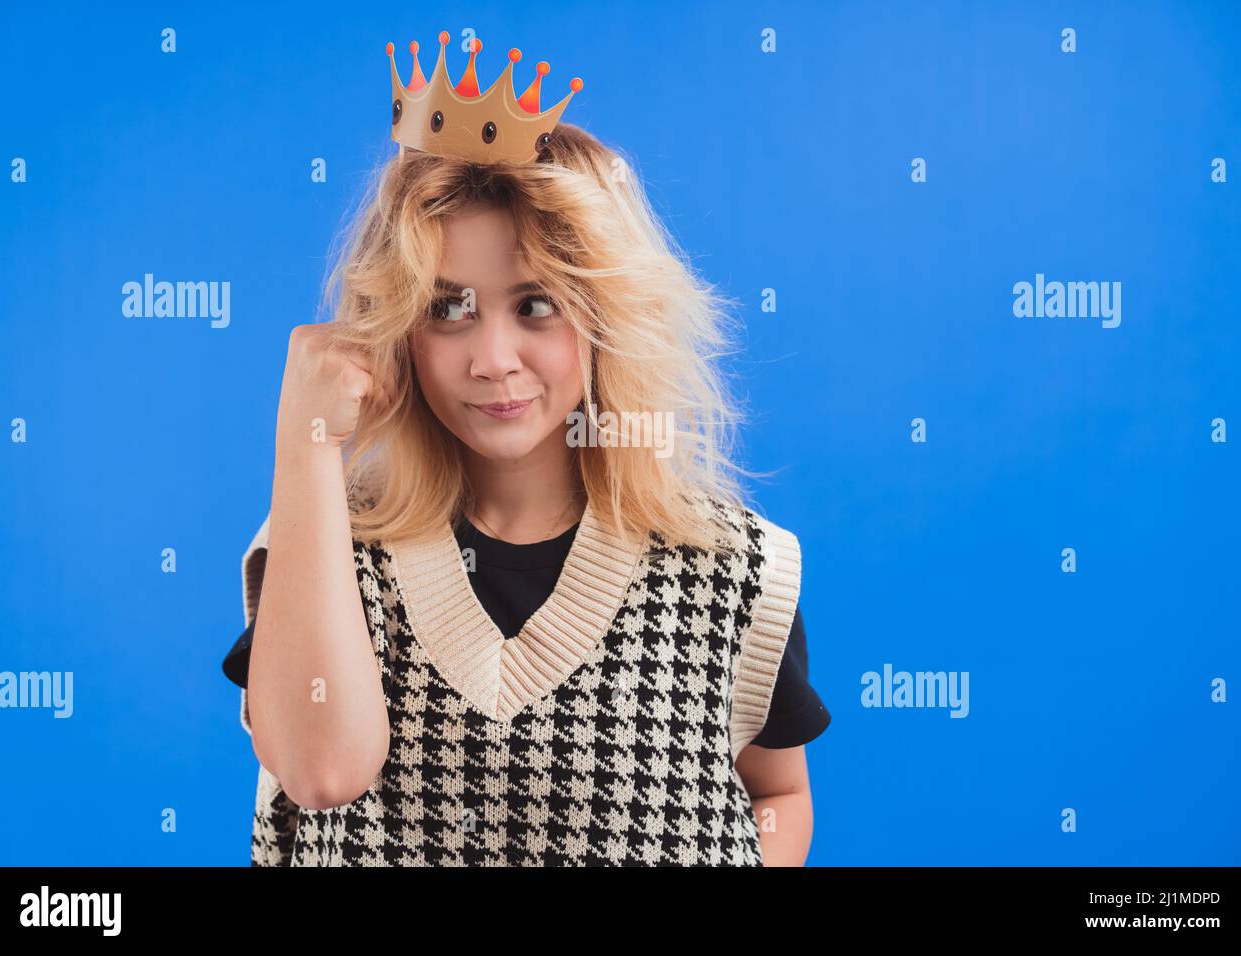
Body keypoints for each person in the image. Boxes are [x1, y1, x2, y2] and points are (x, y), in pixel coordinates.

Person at [227, 30, 829, 866]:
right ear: (397, 327)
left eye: (536, 305)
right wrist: (307, 442)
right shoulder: (323, 544)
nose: (492, 358)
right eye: (449, 309)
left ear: (604, 317)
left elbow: (776, 792)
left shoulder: (730, 569)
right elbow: (323, 773)